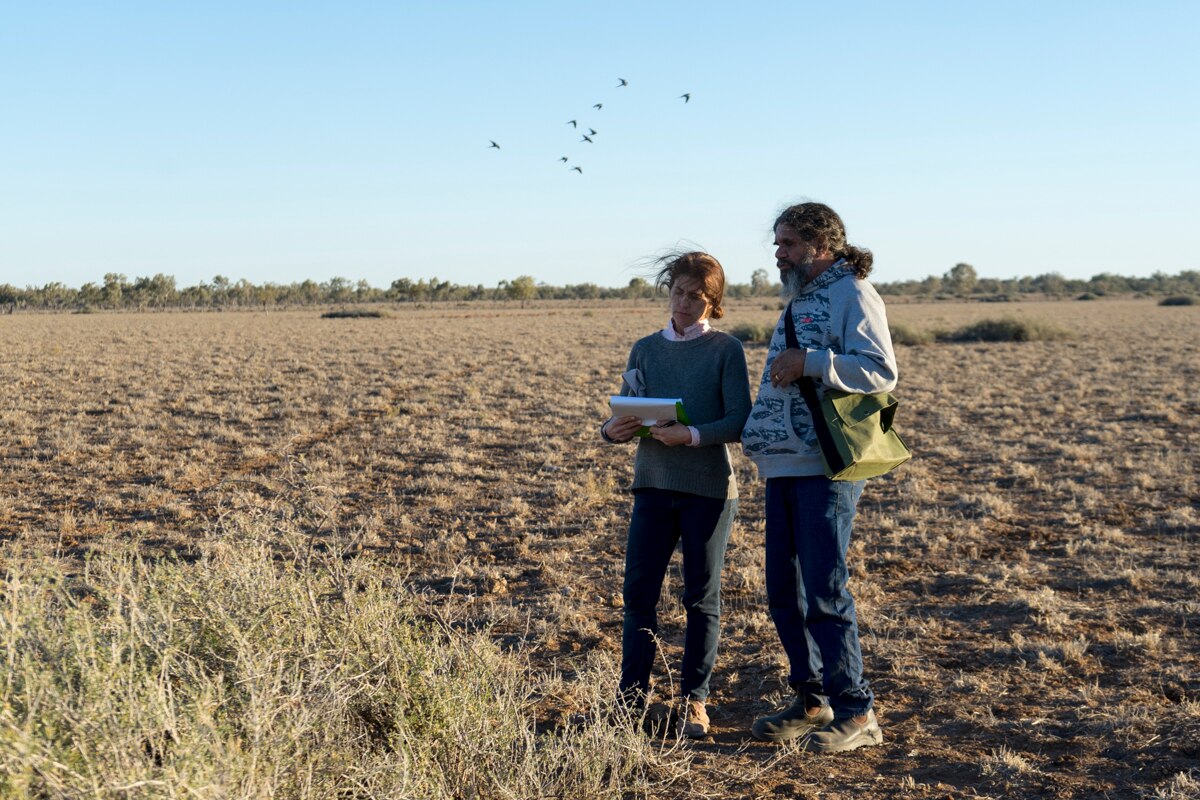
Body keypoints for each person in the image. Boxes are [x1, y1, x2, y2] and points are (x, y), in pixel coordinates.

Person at [741, 202, 897, 753]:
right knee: (785, 590)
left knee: (826, 591)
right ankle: (812, 701)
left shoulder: (854, 292)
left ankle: (857, 712)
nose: (778, 253)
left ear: (819, 243)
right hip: (783, 464)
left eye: (786, 244)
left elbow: (880, 369)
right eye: (778, 243)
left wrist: (809, 362)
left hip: (827, 467)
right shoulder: (801, 296)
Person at [600, 251, 752, 738]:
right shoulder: (644, 348)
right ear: (669, 290)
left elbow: (739, 420)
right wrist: (612, 430)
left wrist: (690, 436)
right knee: (638, 596)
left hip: (708, 490)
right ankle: (630, 702)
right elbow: (626, 408)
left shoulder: (726, 350)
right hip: (653, 485)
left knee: (700, 598)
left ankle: (694, 702)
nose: (687, 304)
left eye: (699, 297)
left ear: (715, 302)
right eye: (680, 292)